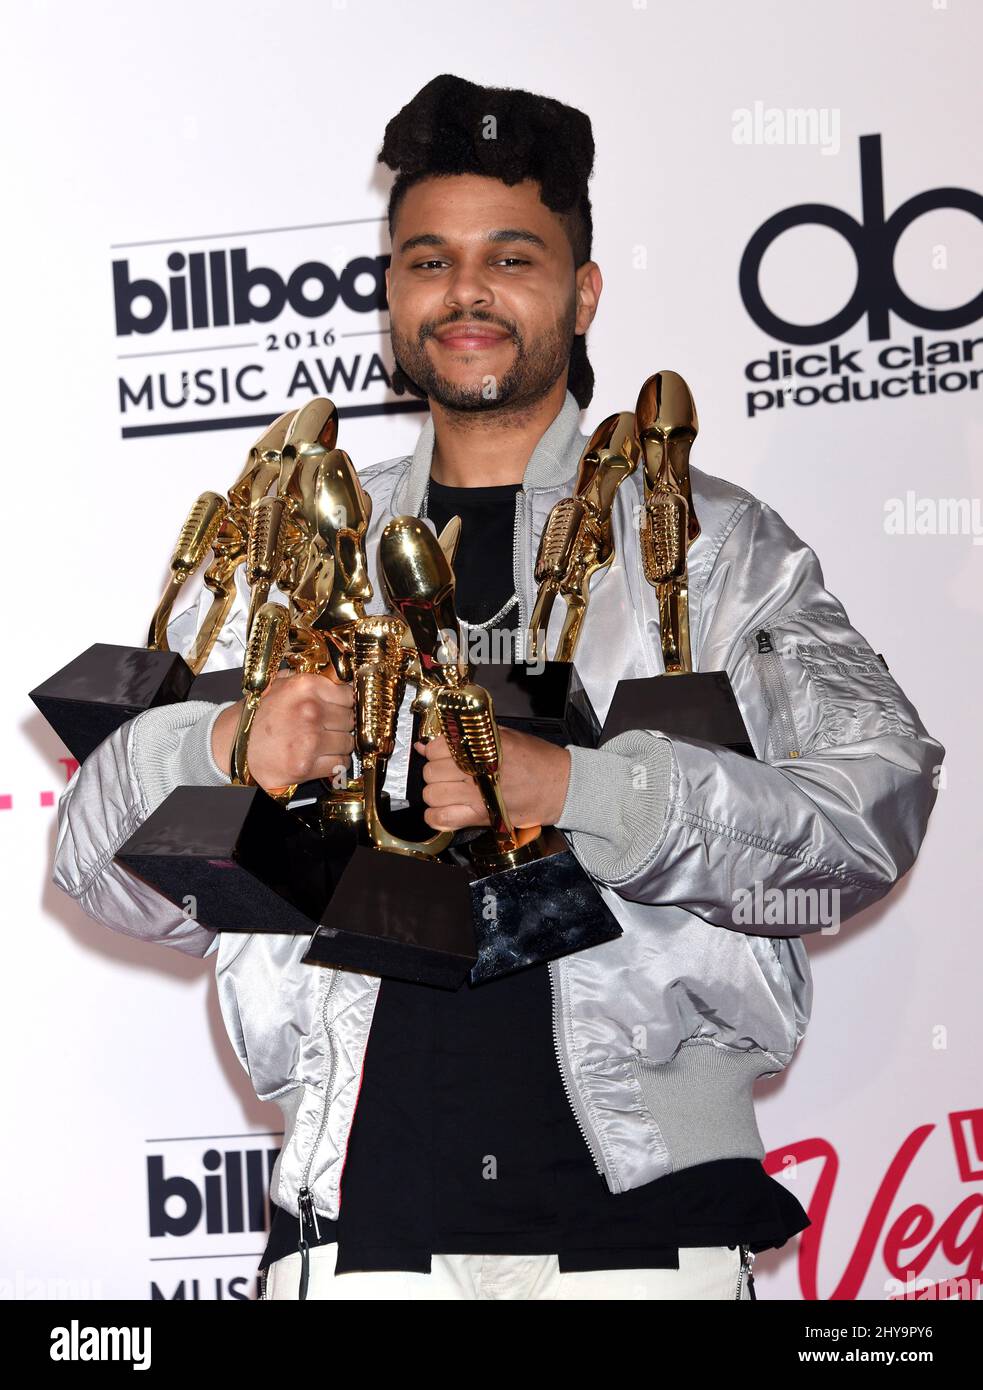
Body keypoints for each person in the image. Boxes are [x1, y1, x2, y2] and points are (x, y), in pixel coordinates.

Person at [52, 75, 944, 1302]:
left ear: (578, 293)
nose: (465, 292)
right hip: (359, 1235)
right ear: (392, 296)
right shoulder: (305, 540)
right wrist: (221, 745)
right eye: (429, 260)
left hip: (644, 1238)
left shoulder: (713, 546)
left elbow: (868, 814)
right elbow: (94, 873)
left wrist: (576, 787)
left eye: (509, 257)